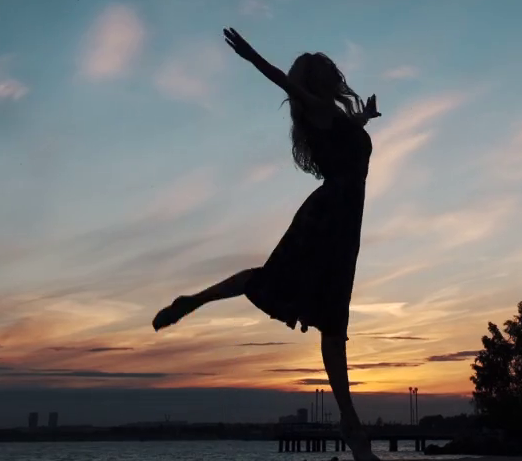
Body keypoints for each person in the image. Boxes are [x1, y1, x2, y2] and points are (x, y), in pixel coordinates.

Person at [153, 27, 382, 461]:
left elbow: (347, 135)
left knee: (334, 322)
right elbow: (284, 83)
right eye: (326, 70)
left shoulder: (333, 117)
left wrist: (365, 118)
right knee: (290, 294)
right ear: (315, 80)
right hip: (327, 218)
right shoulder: (316, 108)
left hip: (344, 225)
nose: (334, 74)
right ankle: (192, 301)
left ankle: (353, 432)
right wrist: (253, 57)